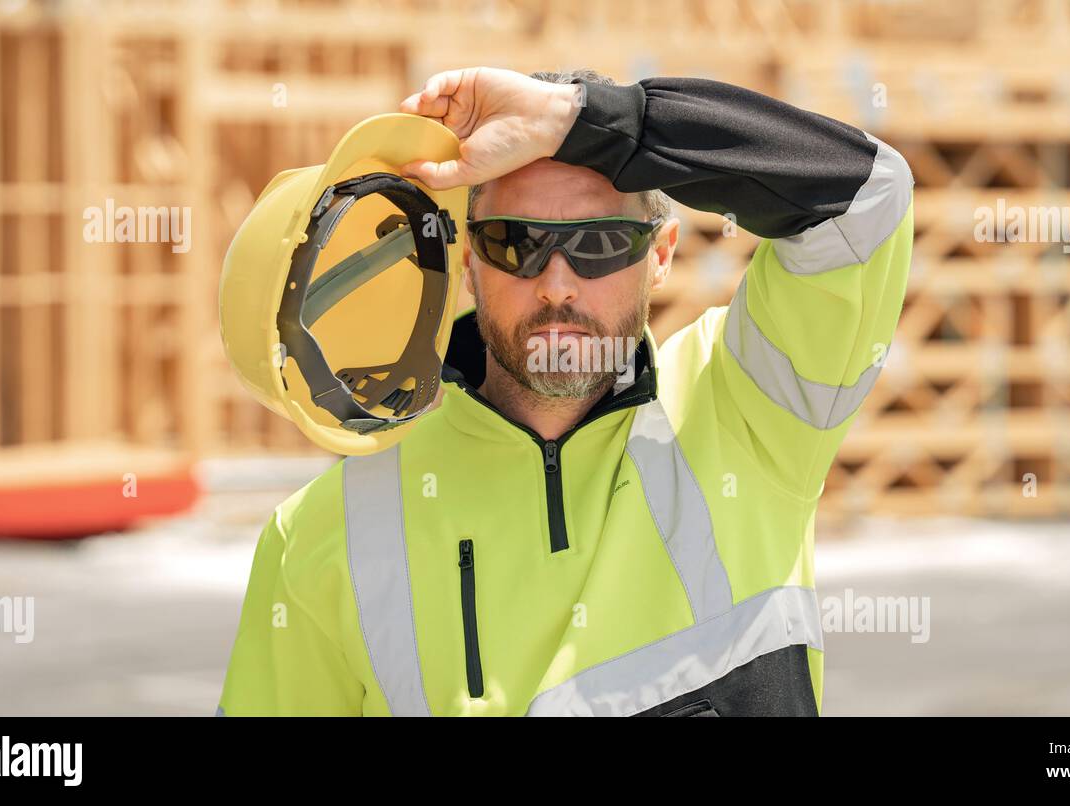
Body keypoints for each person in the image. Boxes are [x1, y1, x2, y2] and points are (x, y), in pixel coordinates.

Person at [217, 66, 913, 716]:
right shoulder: (322, 534)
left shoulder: (750, 407)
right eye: (515, 244)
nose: (556, 283)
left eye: (603, 243)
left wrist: (582, 120)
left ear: (661, 253)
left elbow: (865, 199)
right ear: (468, 263)